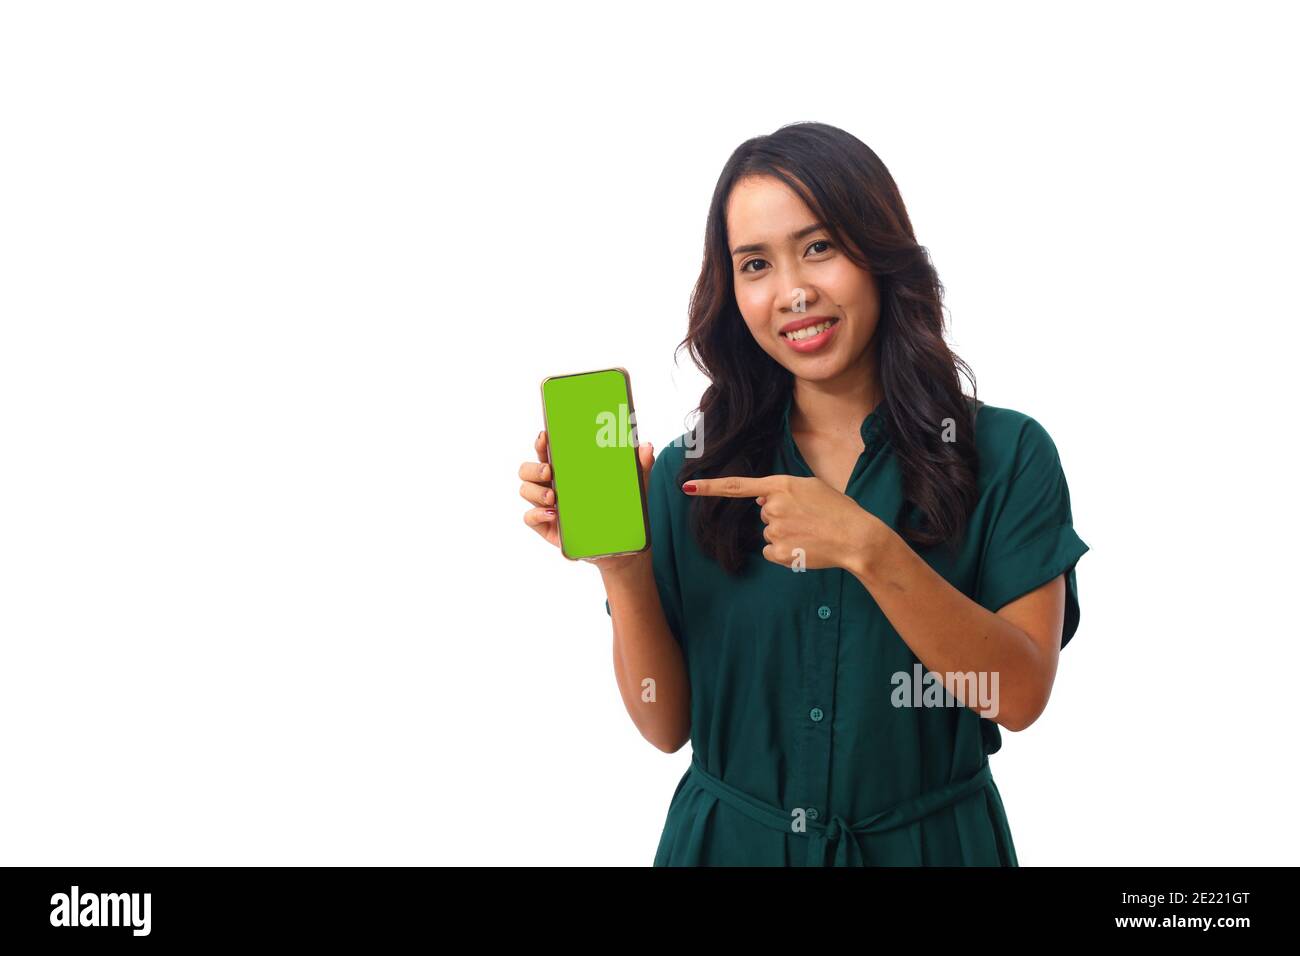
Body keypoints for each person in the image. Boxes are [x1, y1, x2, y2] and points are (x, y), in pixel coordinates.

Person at [519, 121, 1089, 866]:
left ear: (880, 253)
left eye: (819, 247)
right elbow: (665, 726)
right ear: (732, 290)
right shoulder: (691, 473)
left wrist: (864, 545)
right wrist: (623, 567)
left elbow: (1017, 696)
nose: (793, 292)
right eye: (755, 264)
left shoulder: (1009, 455)